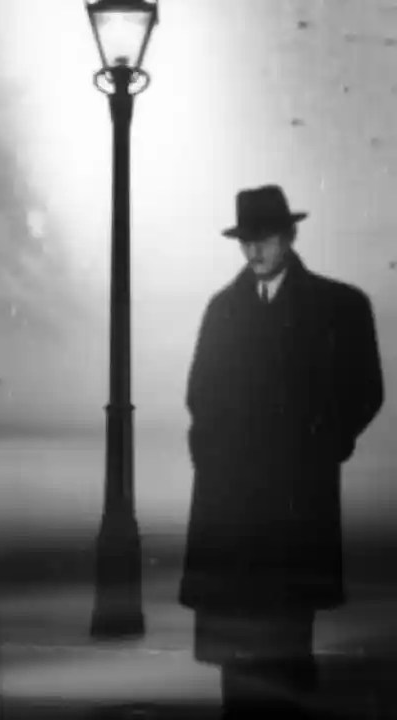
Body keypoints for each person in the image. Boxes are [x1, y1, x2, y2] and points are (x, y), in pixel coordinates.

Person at [180, 185, 385, 719]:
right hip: (232, 506)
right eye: (246, 240)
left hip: (297, 501)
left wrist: (323, 448)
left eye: (264, 238)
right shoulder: (223, 309)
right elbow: (199, 395)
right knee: (238, 656)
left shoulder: (340, 306)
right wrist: (211, 457)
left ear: (290, 235)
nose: (254, 252)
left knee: (289, 639)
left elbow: (366, 389)